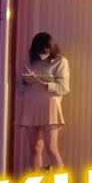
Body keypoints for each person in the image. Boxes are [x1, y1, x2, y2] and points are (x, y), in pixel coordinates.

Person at [18, 32, 70, 174]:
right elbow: (19, 85)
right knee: (35, 147)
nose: (42, 54)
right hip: (31, 105)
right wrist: (28, 82)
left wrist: (45, 83)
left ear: (51, 48)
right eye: (39, 52)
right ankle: (37, 182)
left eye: (45, 51)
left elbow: (64, 88)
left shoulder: (60, 61)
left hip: (50, 106)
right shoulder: (29, 61)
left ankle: (60, 182)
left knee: (51, 147)